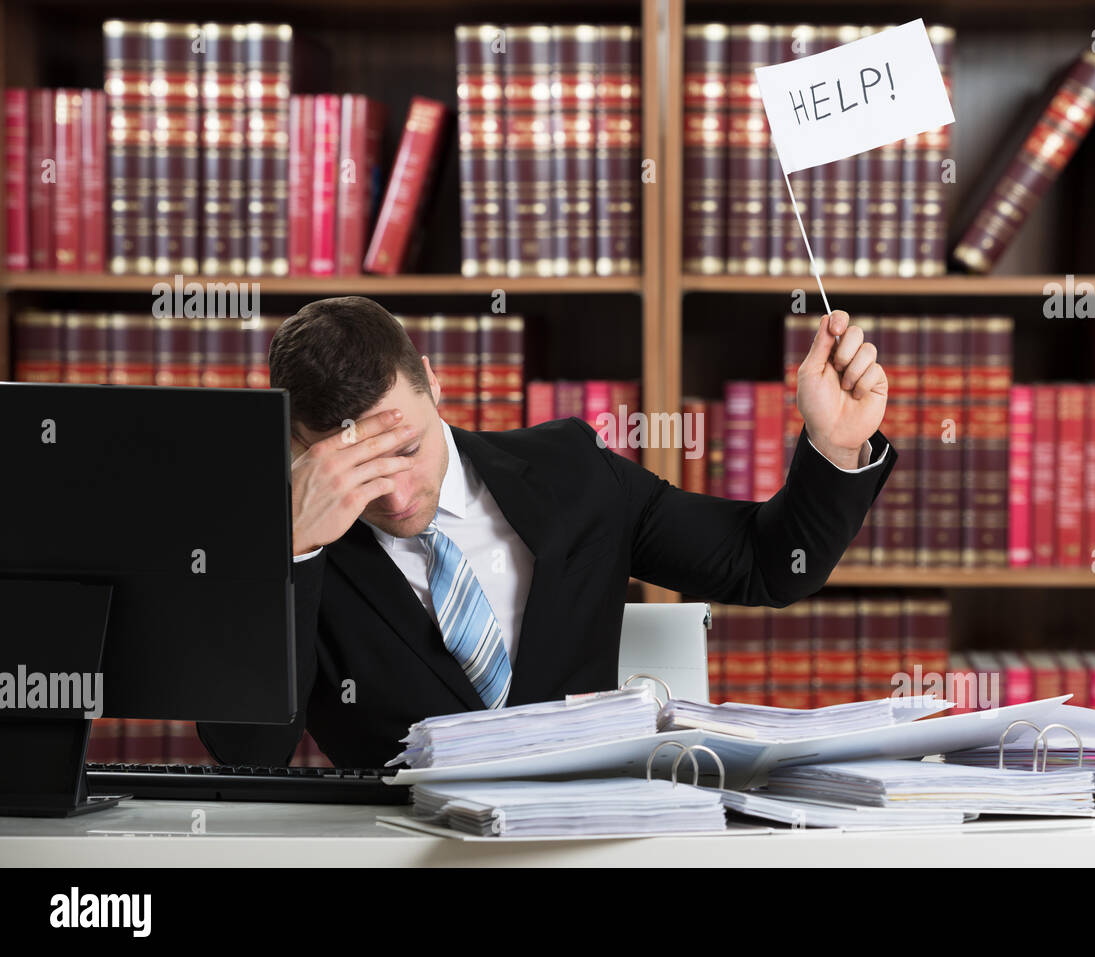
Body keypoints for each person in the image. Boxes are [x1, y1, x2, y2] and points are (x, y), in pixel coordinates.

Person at [198, 296, 895, 768]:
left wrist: (834, 449)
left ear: (433, 385)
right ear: (297, 446)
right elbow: (246, 752)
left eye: (406, 450)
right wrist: (294, 550)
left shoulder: (570, 473)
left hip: (585, 851)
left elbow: (768, 564)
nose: (398, 494)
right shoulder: (278, 546)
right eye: (357, 471)